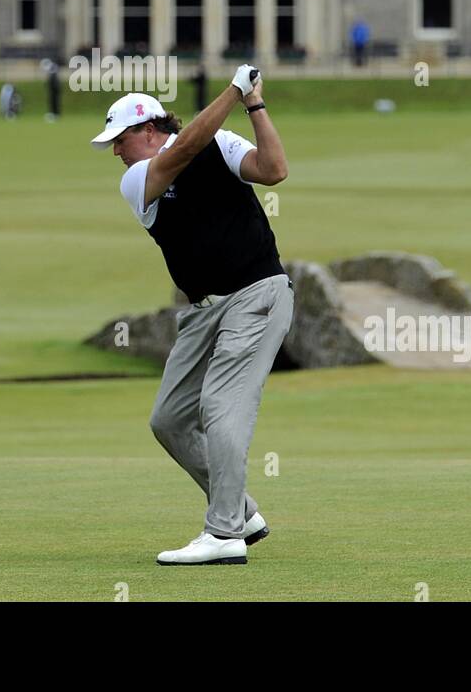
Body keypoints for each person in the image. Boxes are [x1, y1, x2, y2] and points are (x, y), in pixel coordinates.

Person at [91, 65, 293, 566]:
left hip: (257, 294)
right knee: (170, 419)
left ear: (148, 128)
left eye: (120, 138)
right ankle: (242, 512)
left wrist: (254, 105)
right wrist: (233, 90)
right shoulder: (138, 180)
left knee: (222, 411)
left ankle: (224, 534)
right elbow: (180, 152)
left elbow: (273, 171)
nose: (115, 151)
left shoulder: (219, 141)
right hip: (203, 311)